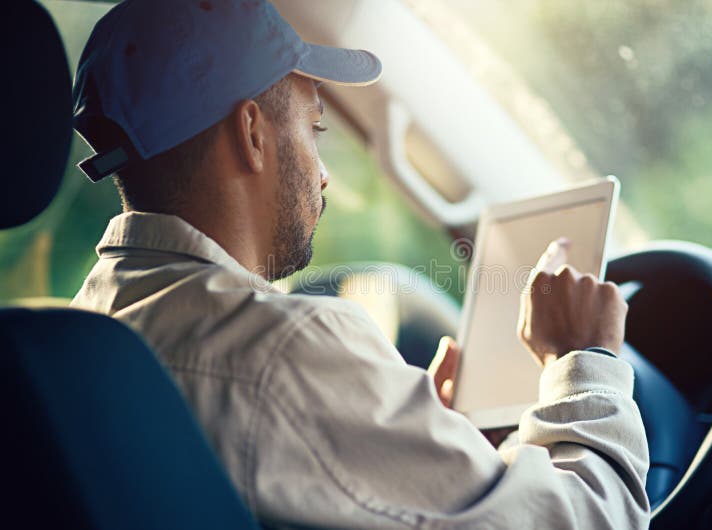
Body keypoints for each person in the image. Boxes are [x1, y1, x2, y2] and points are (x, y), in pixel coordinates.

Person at [70, 1, 650, 528]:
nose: (325, 175)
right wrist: (583, 360)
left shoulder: (80, 331)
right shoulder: (284, 349)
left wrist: (420, 442)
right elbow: (594, 518)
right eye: (314, 127)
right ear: (252, 132)